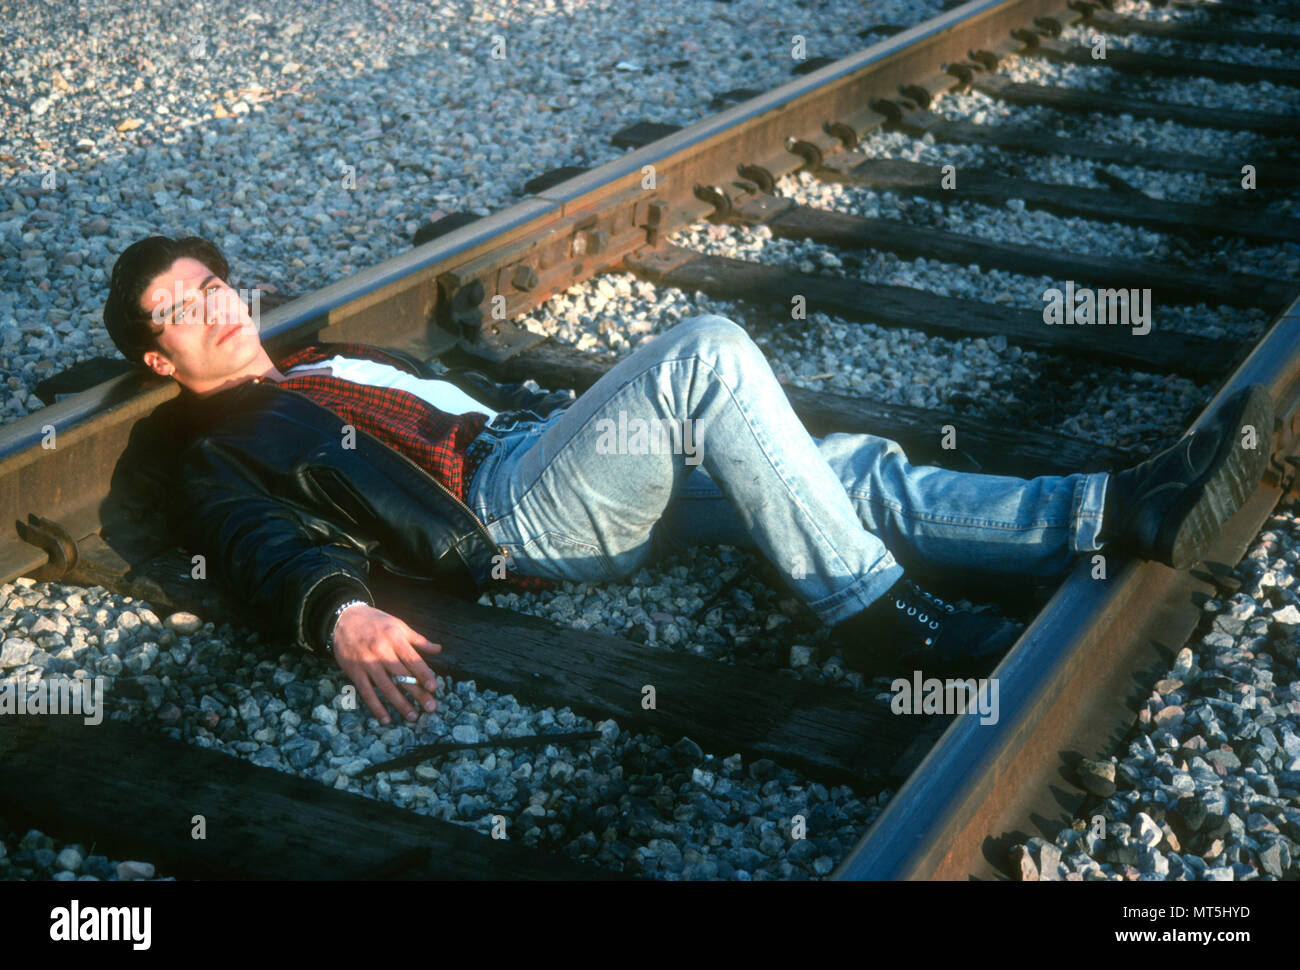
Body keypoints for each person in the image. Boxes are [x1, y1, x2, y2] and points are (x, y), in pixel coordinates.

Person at [103, 235, 1272, 726]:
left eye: (211, 280)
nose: (210, 304)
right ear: (158, 358)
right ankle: (876, 617)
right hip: (511, 512)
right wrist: (342, 610)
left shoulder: (318, 359)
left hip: (538, 452)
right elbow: (254, 540)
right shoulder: (214, 439)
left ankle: (1112, 510)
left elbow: (446, 411)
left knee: (831, 466)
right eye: (177, 309)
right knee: (704, 354)